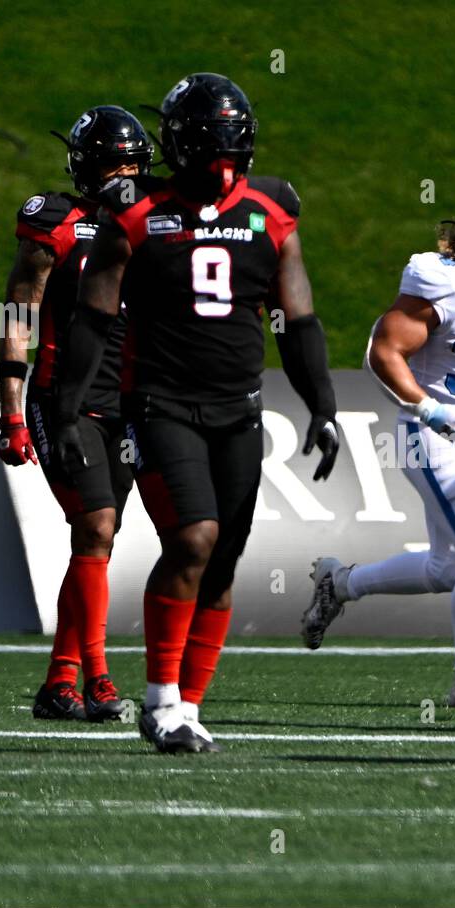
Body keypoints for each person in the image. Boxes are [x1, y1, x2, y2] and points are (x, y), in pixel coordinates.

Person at [54, 74, 340, 752]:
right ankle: (159, 699)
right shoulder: (135, 213)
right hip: (159, 403)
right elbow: (92, 318)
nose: (223, 166)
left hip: (239, 410)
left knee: (223, 561)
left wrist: (322, 406)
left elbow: (297, 321)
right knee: (193, 537)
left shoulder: (274, 211)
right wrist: (67, 409)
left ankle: (189, 705)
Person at [301, 172, 455, 708]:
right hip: (428, 432)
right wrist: (426, 406)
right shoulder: (441, 280)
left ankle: (340, 584)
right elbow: (382, 352)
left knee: (448, 568)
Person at [0, 106, 152, 722]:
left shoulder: (152, 225)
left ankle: (58, 681)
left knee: (97, 541)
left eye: (132, 165)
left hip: (126, 401)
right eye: (113, 165)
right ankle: (99, 680)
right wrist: (13, 413)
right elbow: (18, 314)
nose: (124, 176)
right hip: (64, 399)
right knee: (95, 527)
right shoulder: (57, 224)